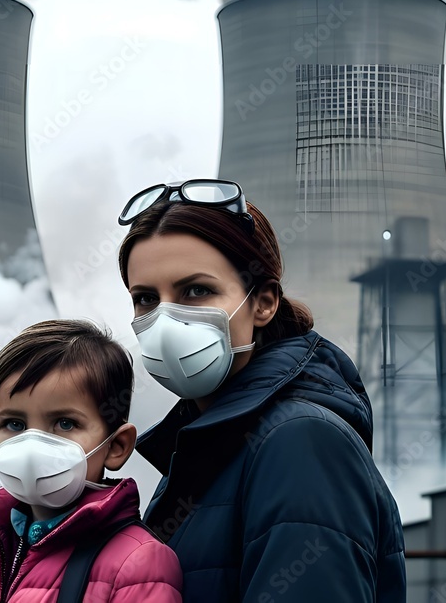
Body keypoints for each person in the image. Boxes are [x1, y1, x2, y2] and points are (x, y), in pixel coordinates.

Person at [116, 179, 406, 602]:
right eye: (145, 299)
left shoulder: (301, 440)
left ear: (263, 303)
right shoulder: (205, 446)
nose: (165, 320)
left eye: (196, 291)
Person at [0, 319, 183, 602]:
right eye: (15, 424)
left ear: (116, 446)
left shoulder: (139, 564)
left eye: (65, 423)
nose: (32, 445)